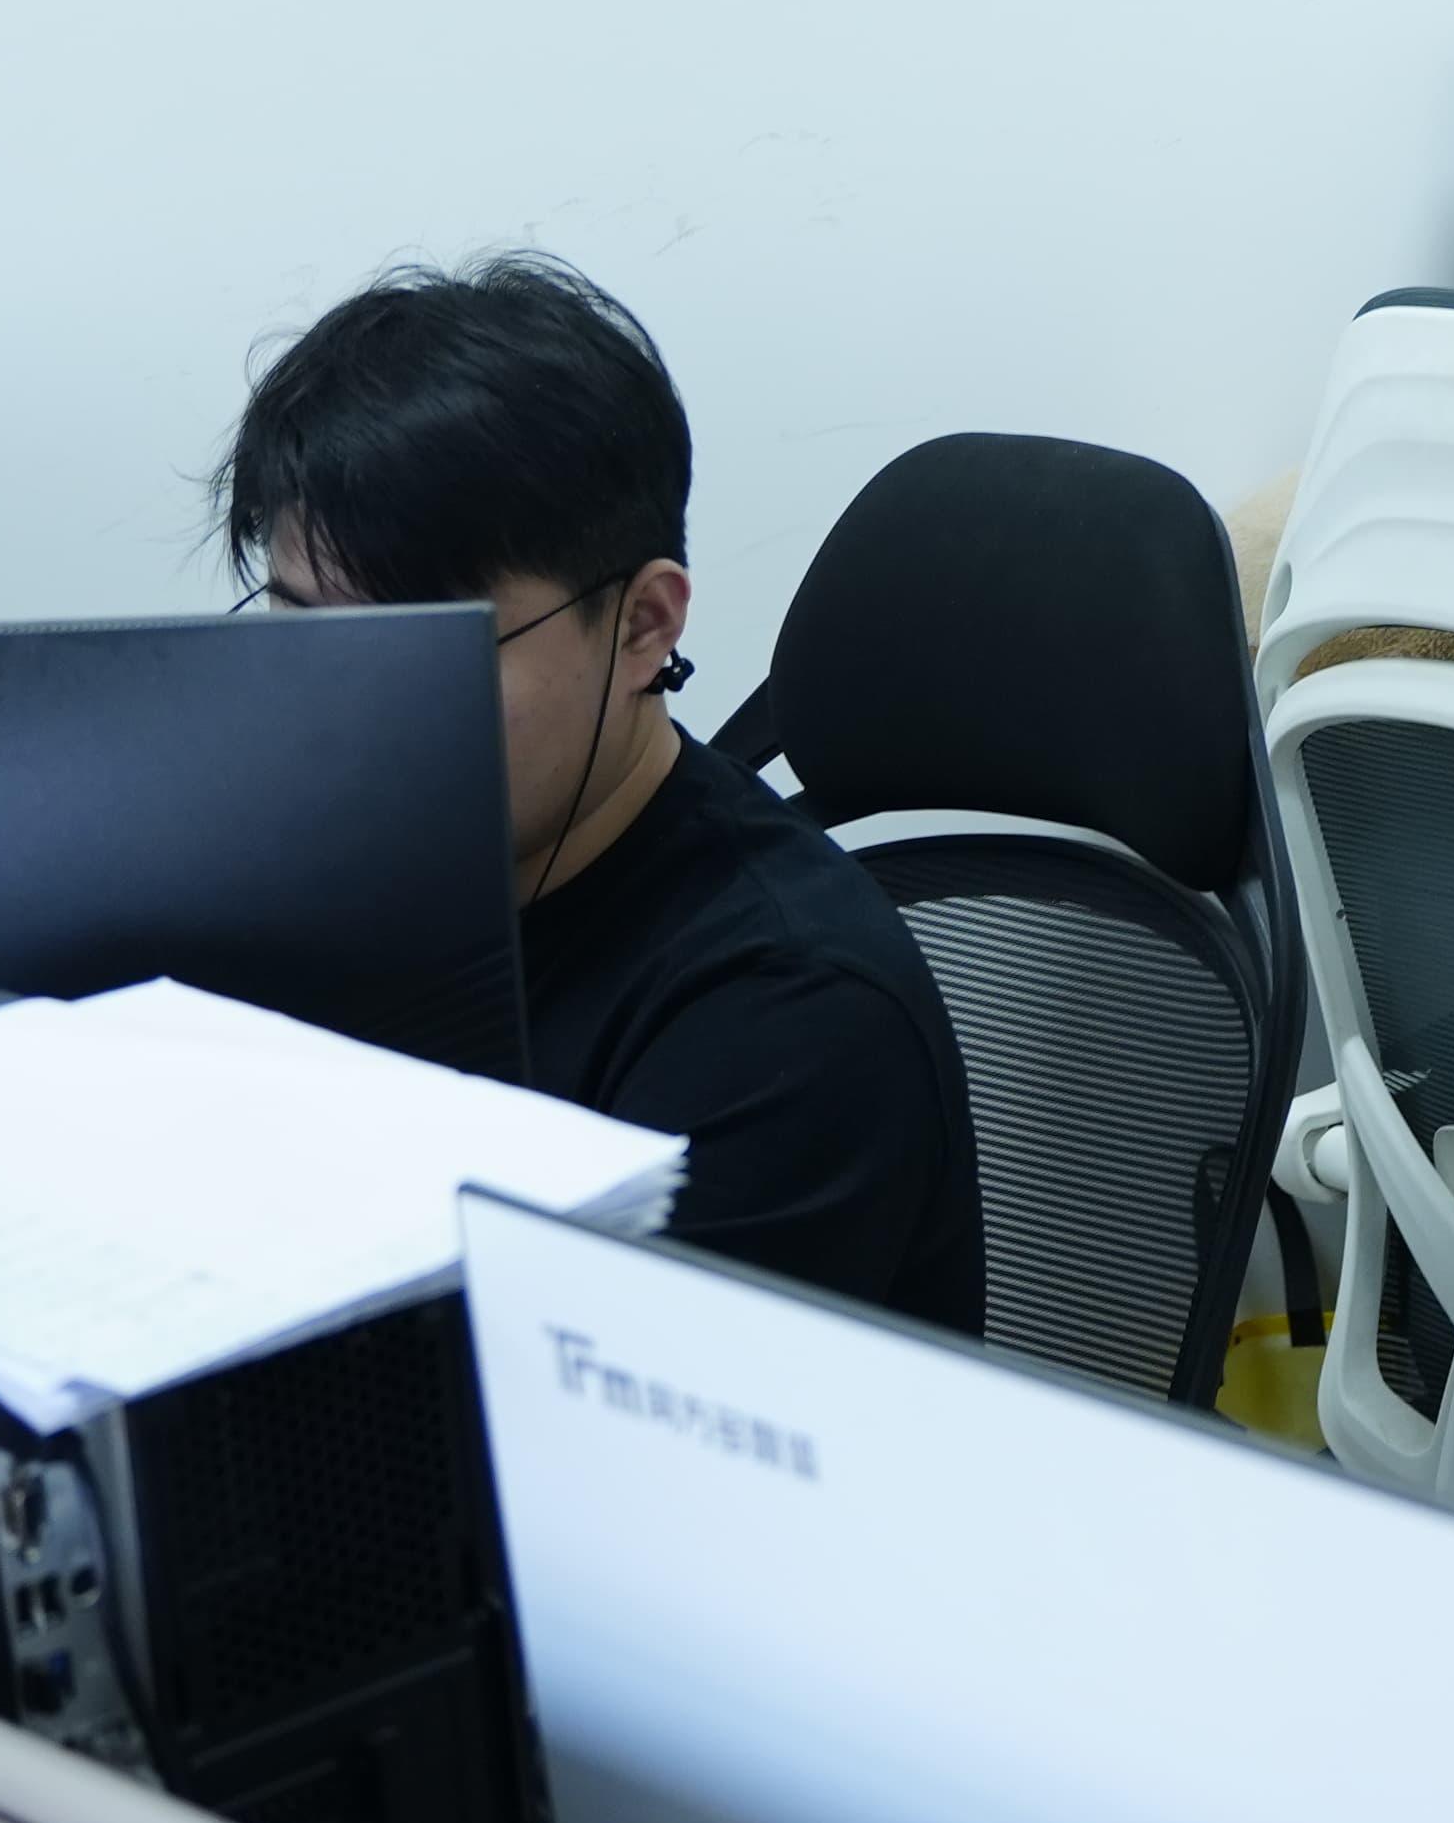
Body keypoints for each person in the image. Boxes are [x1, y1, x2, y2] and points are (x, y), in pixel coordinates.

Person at [219, 255, 986, 1334]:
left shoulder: (792, 1019)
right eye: (305, 625)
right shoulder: (326, 871)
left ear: (642, 627)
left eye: (421, 643)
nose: (347, 712)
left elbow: (575, 1417)